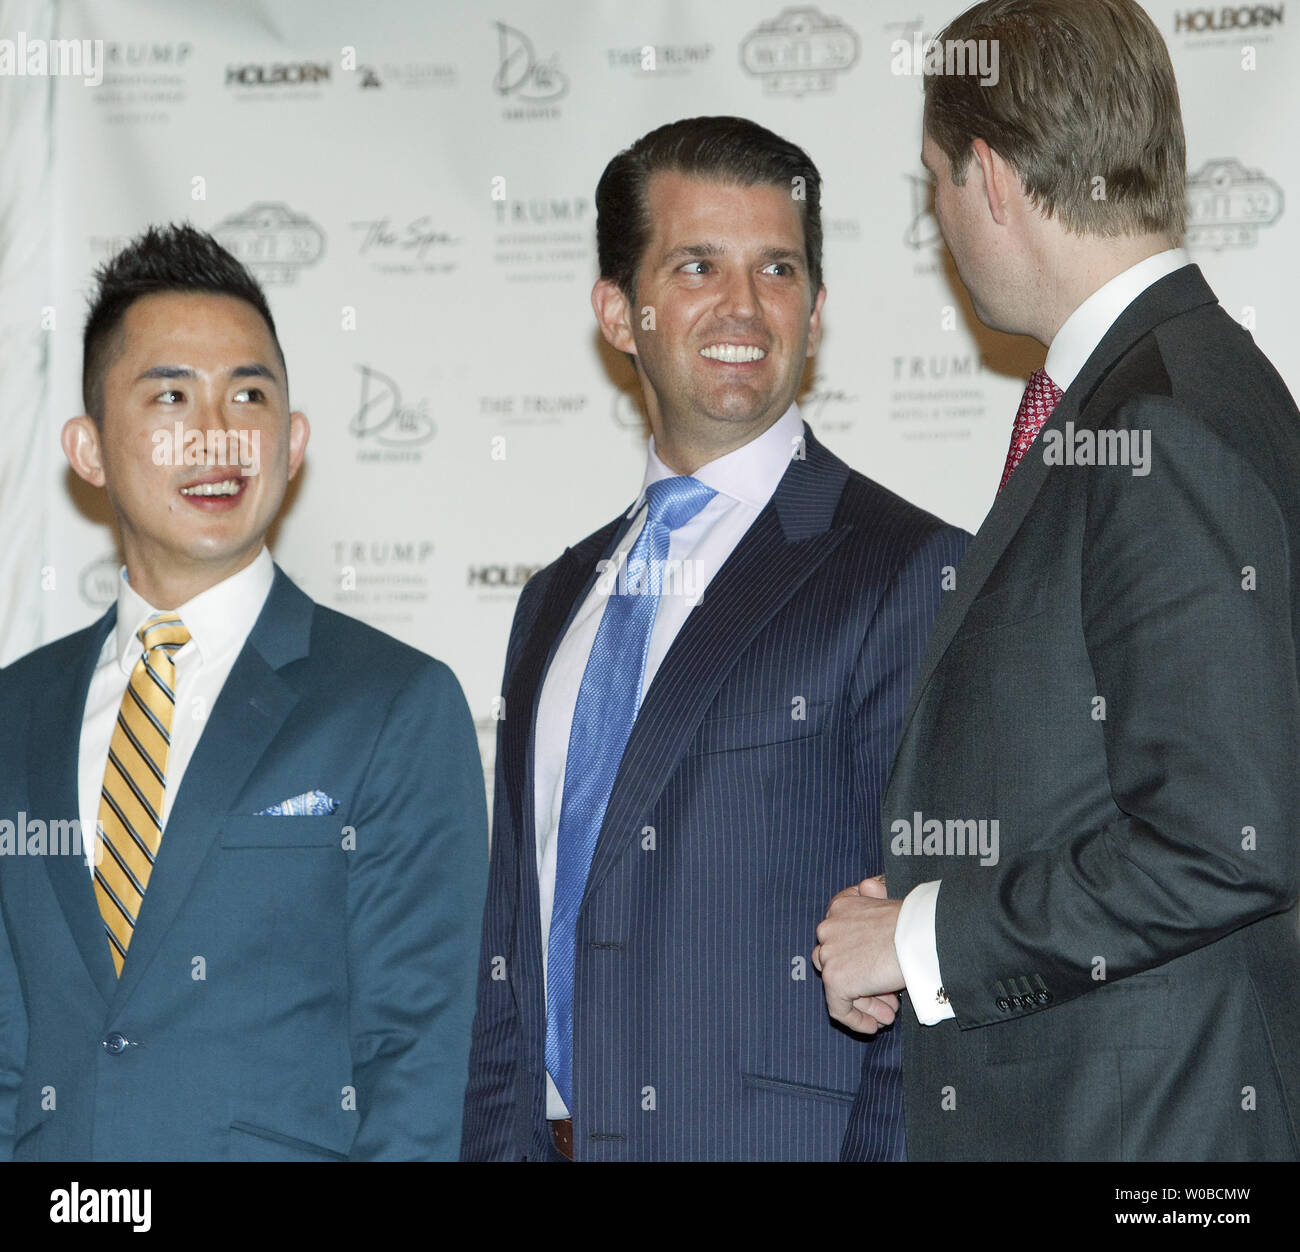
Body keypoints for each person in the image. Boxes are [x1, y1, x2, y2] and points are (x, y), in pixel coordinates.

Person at [815, 0, 1300, 1160]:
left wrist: (922, 938)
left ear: (988, 175)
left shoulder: (1162, 421)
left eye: (932, 179)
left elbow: (1219, 839)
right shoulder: (1169, 390)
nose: (937, 217)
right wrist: (919, 893)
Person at [461, 116, 969, 1162]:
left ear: (816, 311)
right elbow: (508, 945)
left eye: (776, 268)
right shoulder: (554, 601)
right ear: (618, 310)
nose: (742, 306)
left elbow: (931, 952)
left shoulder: (905, 570)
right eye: (697, 264)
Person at [0, 224, 487, 1161]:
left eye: (249, 395)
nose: (218, 433)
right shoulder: (17, 714)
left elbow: (422, 1061)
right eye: (172, 394)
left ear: (292, 441)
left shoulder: (391, 705)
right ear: (89, 448)